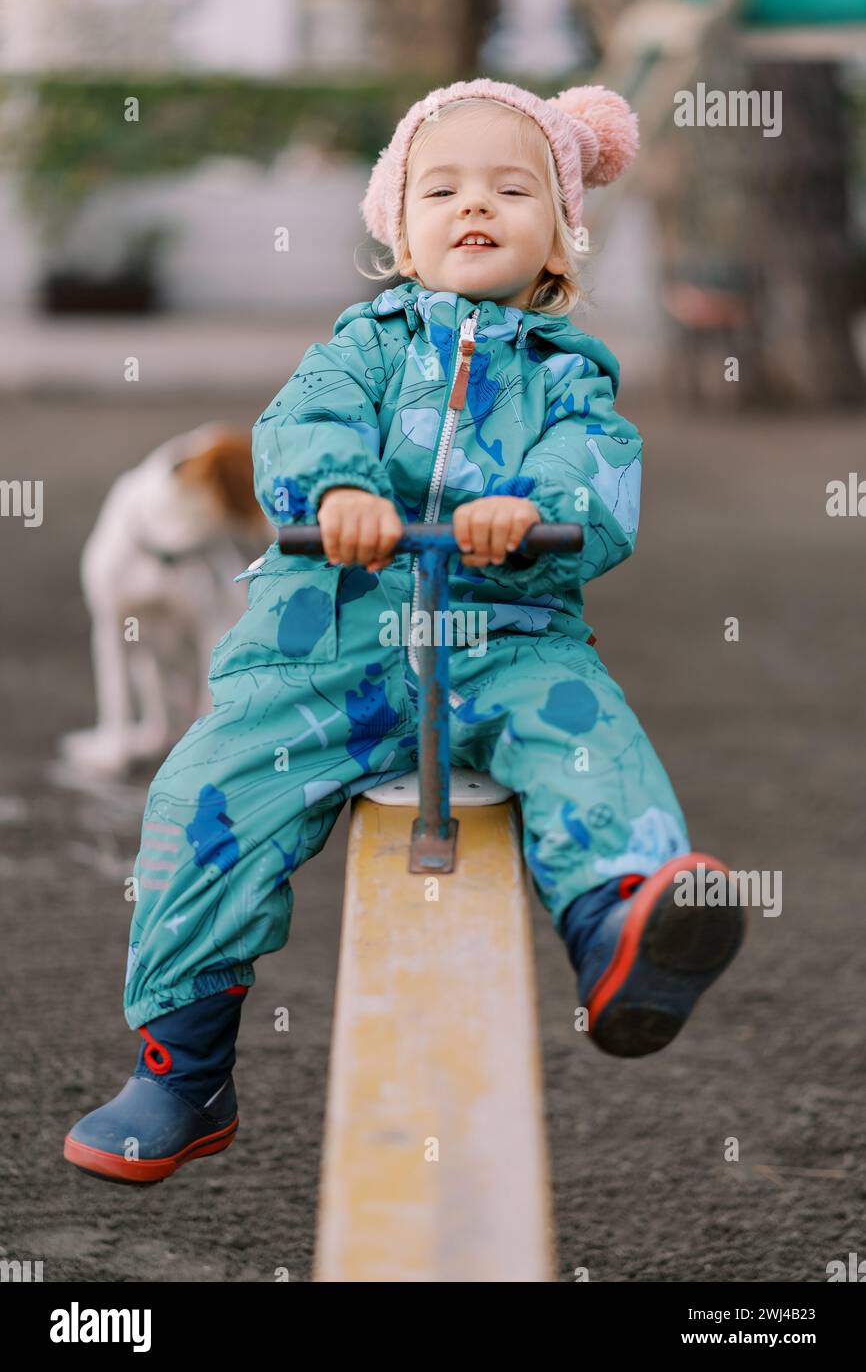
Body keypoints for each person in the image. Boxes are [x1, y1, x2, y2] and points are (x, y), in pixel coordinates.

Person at [64, 79, 745, 1185]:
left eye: (511, 188)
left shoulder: (568, 378)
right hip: (332, 640)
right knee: (209, 791)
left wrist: (528, 511)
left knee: (585, 735)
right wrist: (337, 491)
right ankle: (180, 1065)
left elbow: (599, 475)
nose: (473, 204)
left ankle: (620, 919)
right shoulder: (361, 347)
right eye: (442, 188)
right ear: (398, 226)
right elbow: (304, 424)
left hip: (506, 633)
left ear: (560, 238)